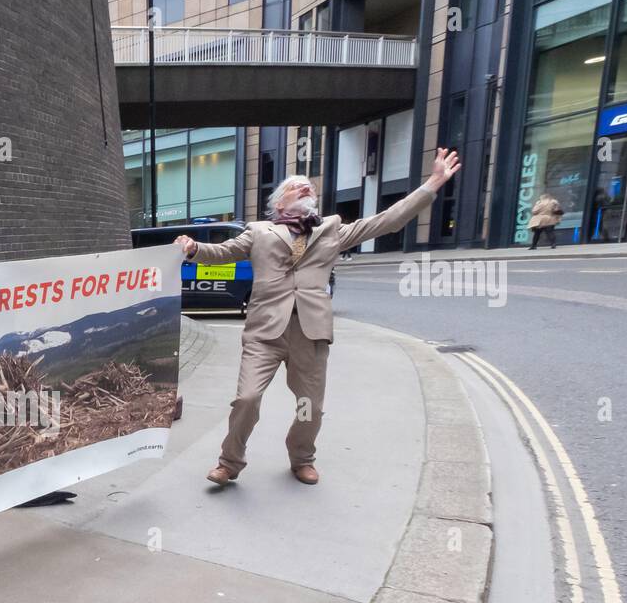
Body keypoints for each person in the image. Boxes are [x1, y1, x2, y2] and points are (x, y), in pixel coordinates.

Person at [177, 147, 461, 488]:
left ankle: (302, 458)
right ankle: (230, 462)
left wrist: (432, 183)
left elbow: (388, 220)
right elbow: (222, 252)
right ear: (279, 204)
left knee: (308, 405)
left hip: (309, 334)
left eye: (309, 186)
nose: (307, 187)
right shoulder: (259, 231)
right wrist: (193, 249)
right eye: (297, 186)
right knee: (247, 399)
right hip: (265, 333)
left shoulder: (331, 229)